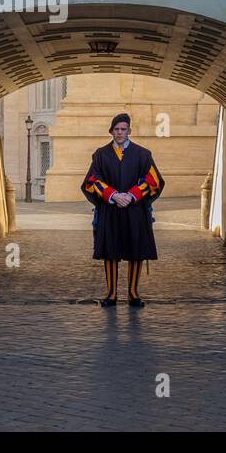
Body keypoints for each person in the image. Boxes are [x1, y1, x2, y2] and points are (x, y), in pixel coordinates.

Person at [80, 113, 164, 307]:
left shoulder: (143, 154)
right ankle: (111, 294)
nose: (119, 133)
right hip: (110, 210)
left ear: (129, 131)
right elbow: (92, 180)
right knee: (110, 252)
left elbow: (153, 180)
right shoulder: (100, 154)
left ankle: (133, 293)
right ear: (111, 131)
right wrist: (113, 195)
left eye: (123, 129)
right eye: (116, 129)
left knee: (136, 252)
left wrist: (132, 195)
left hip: (135, 211)